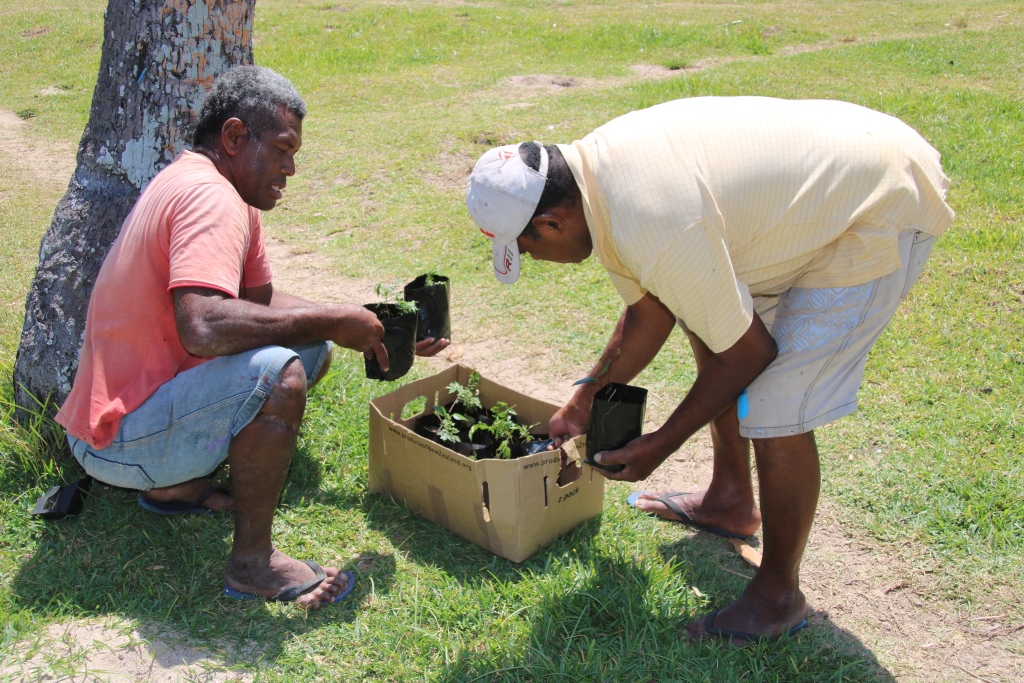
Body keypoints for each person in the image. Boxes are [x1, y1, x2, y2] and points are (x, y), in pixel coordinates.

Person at [464, 96, 953, 643]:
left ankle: (777, 598)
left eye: (527, 250)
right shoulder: (597, 183)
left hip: (877, 201)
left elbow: (747, 354)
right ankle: (730, 501)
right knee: (708, 323)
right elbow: (650, 312)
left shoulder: (650, 217)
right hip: (825, 184)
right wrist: (583, 400)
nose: (533, 261)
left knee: (775, 403)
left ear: (552, 224)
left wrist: (661, 444)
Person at [55, 66, 448, 608]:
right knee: (279, 376)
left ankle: (173, 487)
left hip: (134, 418)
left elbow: (258, 304)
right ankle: (251, 565)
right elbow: (203, 326)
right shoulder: (209, 197)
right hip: (117, 441)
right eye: (283, 149)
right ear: (235, 136)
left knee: (310, 347)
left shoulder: (219, 189)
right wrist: (332, 320)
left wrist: (361, 320)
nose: (291, 168)